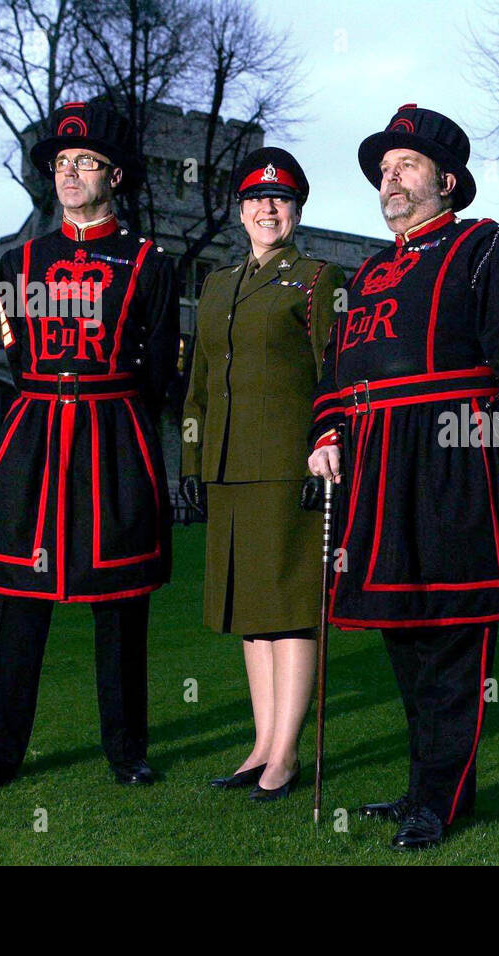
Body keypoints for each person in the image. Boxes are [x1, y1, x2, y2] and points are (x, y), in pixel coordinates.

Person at [307, 104, 499, 849]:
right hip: (377, 467)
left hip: (457, 457)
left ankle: (442, 801)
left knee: (453, 633)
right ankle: (421, 787)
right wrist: (326, 431)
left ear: (447, 181)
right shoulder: (366, 272)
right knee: (402, 629)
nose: (389, 178)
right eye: (384, 169)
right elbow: (339, 370)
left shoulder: (487, 250)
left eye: (407, 166)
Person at [0, 99, 179, 794]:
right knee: (11, 594)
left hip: (115, 435)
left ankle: (126, 748)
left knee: (121, 599)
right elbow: (19, 363)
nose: (70, 174)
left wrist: (111, 416)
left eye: (85, 162)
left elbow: (160, 371)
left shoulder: (147, 261)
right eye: (60, 163)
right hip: (35, 436)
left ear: (116, 175)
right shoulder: (20, 261)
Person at [180, 148, 345, 801]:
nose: (267, 209)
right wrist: (192, 462)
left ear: (297, 210)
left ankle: (286, 755)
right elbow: (195, 386)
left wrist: (327, 444)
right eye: (255, 199)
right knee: (252, 615)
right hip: (227, 470)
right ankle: (260, 744)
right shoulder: (218, 284)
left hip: (288, 469)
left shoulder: (316, 279)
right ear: (240, 210)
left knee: (290, 612)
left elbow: (335, 372)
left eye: (280, 199)